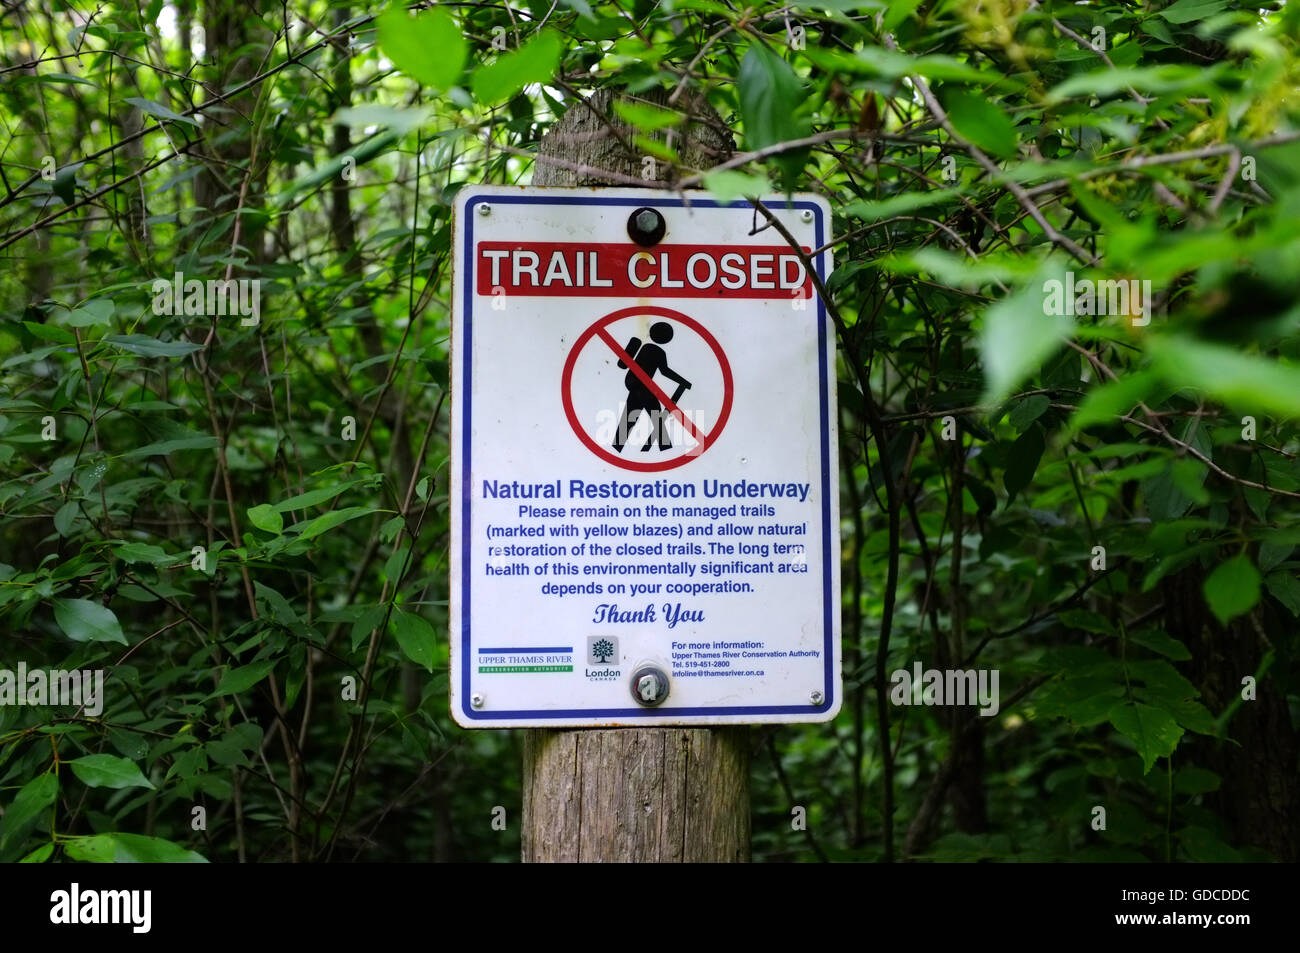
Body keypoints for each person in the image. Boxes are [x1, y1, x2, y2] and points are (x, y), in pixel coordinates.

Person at [613, 321, 691, 452]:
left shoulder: (644, 347)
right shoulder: (659, 352)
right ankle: (665, 448)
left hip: (632, 384)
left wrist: (683, 382)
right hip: (642, 386)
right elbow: (665, 371)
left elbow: (623, 364)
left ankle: (617, 447)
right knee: (655, 413)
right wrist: (684, 382)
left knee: (630, 415)